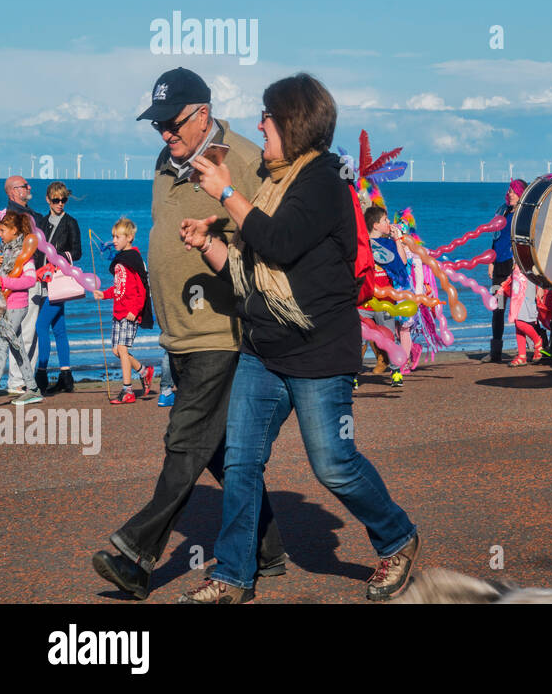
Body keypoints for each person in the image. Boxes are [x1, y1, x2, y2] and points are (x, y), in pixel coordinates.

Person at [177, 73, 418, 603]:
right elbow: (251, 266)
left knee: (333, 463)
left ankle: (396, 537)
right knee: (241, 463)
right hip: (264, 350)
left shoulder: (323, 184)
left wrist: (225, 191)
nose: (259, 124)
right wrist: (209, 246)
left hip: (318, 352)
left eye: (267, 116)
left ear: (293, 122)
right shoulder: (271, 183)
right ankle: (234, 574)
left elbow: (280, 243)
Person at [91, 66, 285, 602]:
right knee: (217, 450)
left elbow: (270, 238)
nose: (164, 134)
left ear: (203, 114)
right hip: (180, 333)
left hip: (222, 333)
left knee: (184, 443)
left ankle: (136, 554)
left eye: (172, 123)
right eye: (156, 125)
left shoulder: (242, 160)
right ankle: (267, 549)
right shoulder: (166, 158)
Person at [93, 218, 156, 404]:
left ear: (129, 237)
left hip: (130, 313)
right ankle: (144, 371)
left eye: (117, 236)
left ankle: (127, 390)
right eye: (113, 236)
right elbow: (119, 287)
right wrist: (103, 295)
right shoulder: (120, 260)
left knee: (122, 348)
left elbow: (142, 290)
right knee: (116, 351)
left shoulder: (133, 259)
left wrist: (135, 310)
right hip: (118, 311)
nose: (113, 240)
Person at [34, 181, 82, 394]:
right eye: (56, 200)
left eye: (63, 200)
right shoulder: (42, 222)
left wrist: (57, 262)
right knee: (59, 330)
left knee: (40, 327)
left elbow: (77, 252)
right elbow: (37, 251)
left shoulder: (71, 222)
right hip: (41, 283)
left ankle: (41, 374)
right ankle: (66, 376)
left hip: (58, 282)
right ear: (48, 200)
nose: (60, 203)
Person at [1, 175, 43, 396]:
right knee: (19, 333)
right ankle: (19, 382)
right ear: (13, 191)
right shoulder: (9, 216)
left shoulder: (31, 216)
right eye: (25, 186)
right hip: (14, 280)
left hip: (27, 278)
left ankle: (20, 381)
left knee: (23, 332)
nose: (29, 188)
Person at [364, 205, 414, 386]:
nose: (389, 223)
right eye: (385, 220)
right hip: (364, 301)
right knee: (357, 339)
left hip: (386, 301)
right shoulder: (362, 244)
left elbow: (401, 263)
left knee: (388, 338)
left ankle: (396, 371)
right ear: (376, 225)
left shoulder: (390, 243)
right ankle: (351, 375)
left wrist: (398, 240)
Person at [487, 179, 524, 363]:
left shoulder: (524, 214)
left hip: (515, 265)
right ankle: (495, 352)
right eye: (509, 191)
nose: (510, 194)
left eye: (514, 191)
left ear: (521, 193)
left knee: (520, 310)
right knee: (497, 308)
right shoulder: (501, 211)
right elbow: (496, 237)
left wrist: (518, 264)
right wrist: (491, 261)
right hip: (499, 265)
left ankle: (537, 345)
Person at [507, 263, 543, 366]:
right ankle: (522, 356)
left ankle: (537, 341)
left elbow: (539, 261)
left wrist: (540, 286)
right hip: (517, 280)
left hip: (528, 280)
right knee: (517, 318)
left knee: (520, 322)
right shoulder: (513, 247)